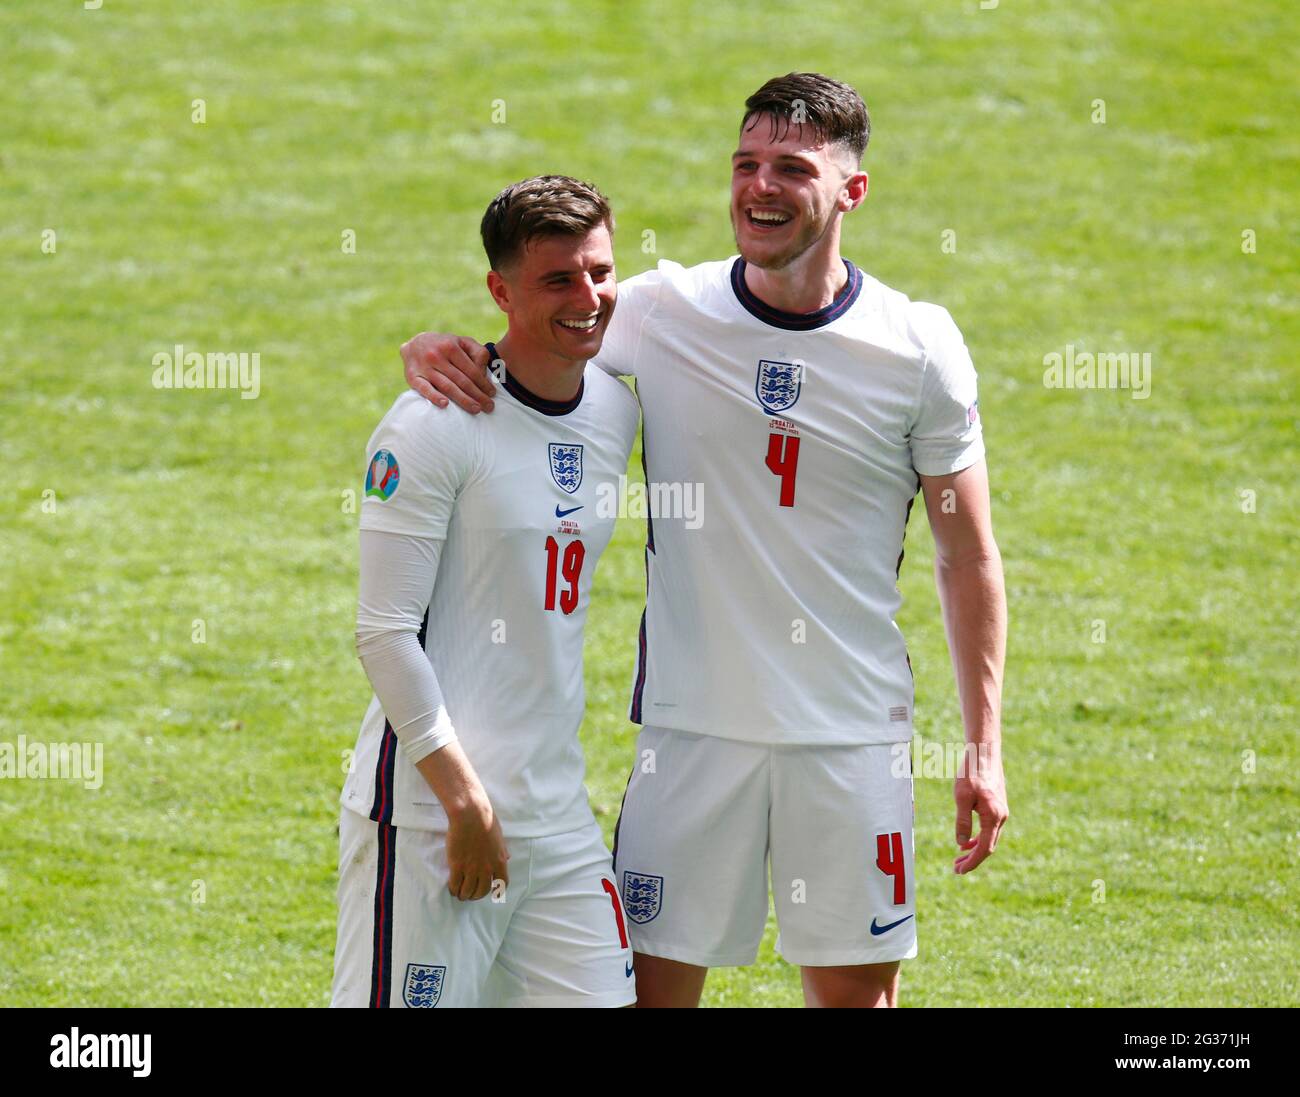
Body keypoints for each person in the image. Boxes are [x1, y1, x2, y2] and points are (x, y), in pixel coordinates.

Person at [399, 73, 1009, 1008]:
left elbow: (966, 552)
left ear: (853, 189)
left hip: (849, 736)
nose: (759, 187)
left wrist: (983, 741)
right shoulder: (662, 310)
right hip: (688, 734)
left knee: (857, 999)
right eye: (745, 163)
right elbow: (542, 330)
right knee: (647, 997)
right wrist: (438, 346)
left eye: (792, 168)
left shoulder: (918, 346)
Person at [332, 175, 641, 1007]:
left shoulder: (615, 409)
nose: (589, 299)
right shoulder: (432, 424)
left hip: (557, 812)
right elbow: (384, 632)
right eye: (558, 280)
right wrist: (465, 802)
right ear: (499, 291)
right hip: (432, 817)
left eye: (601, 273)